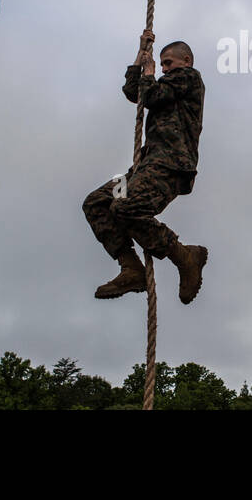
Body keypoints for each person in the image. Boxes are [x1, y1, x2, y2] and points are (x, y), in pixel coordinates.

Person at [83, 30, 208, 303]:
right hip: (147, 166)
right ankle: (131, 268)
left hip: (171, 165)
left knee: (126, 206)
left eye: (168, 63)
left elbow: (149, 97)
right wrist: (140, 60)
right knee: (97, 203)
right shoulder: (164, 83)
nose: (164, 68)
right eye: (161, 64)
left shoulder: (189, 78)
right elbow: (134, 93)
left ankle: (185, 256)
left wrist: (150, 73)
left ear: (186, 60)